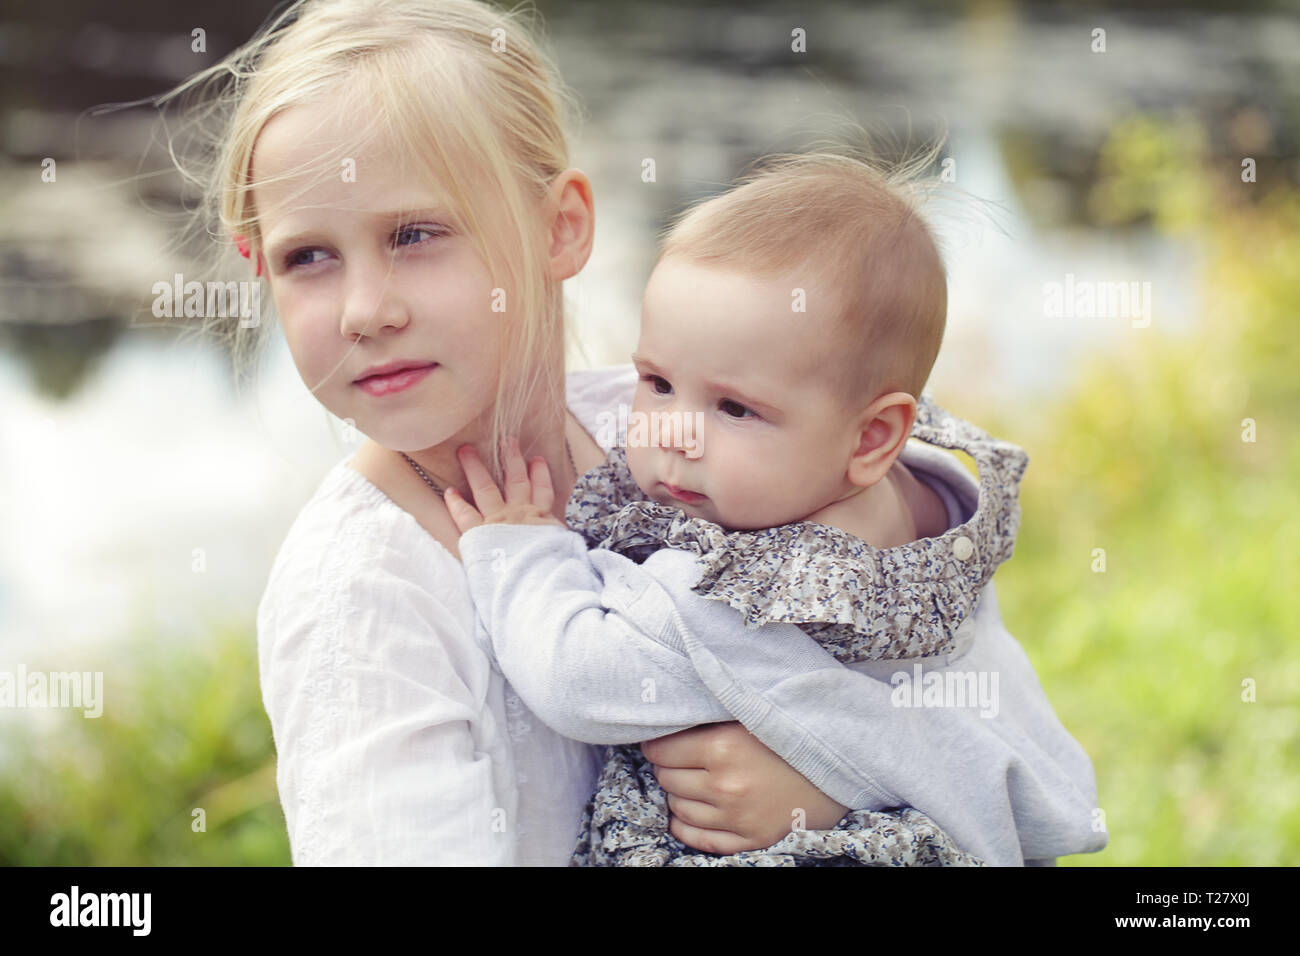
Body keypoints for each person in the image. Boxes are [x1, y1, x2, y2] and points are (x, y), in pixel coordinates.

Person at [166, 0, 978, 864]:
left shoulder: (679, 430)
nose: (367, 310)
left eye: (415, 234)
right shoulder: (365, 596)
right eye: (309, 257)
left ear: (562, 228)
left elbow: (957, 695)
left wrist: (833, 782)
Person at [443, 153, 1108, 865]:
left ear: (872, 436)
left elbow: (577, 676)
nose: (678, 433)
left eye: (735, 407)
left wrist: (522, 551)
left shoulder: (742, 591)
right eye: (657, 382)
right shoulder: (935, 531)